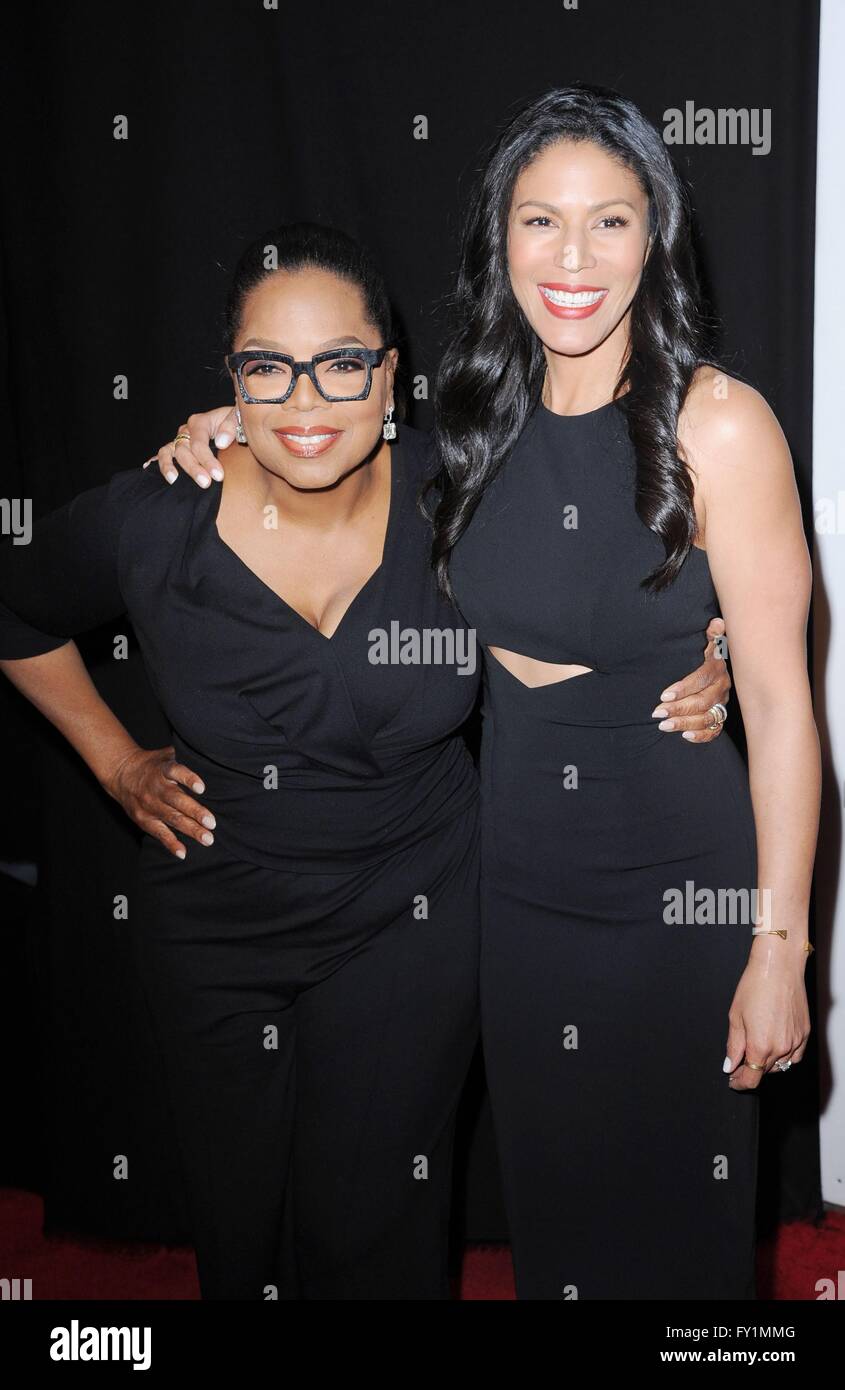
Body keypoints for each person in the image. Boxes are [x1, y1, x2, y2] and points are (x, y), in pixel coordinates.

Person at [0, 223, 486, 1299]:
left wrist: (718, 655)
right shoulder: (154, 518)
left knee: (376, 1224)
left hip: (410, 906)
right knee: (238, 1226)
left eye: (339, 363)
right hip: (216, 922)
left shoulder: (463, 493)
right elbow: (17, 609)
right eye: (268, 367)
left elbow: (618, 579)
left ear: (388, 374)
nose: (305, 401)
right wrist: (118, 763)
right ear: (231, 380)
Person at [428, 83, 817, 1299]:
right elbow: (316, 450)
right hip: (515, 894)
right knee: (556, 1225)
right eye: (539, 220)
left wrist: (780, 948)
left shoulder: (719, 425)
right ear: (499, 239)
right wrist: (225, 420)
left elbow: (781, 705)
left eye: (609, 220)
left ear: (655, 235)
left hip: (676, 898)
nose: (572, 256)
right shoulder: (464, 417)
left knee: (679, 1247)